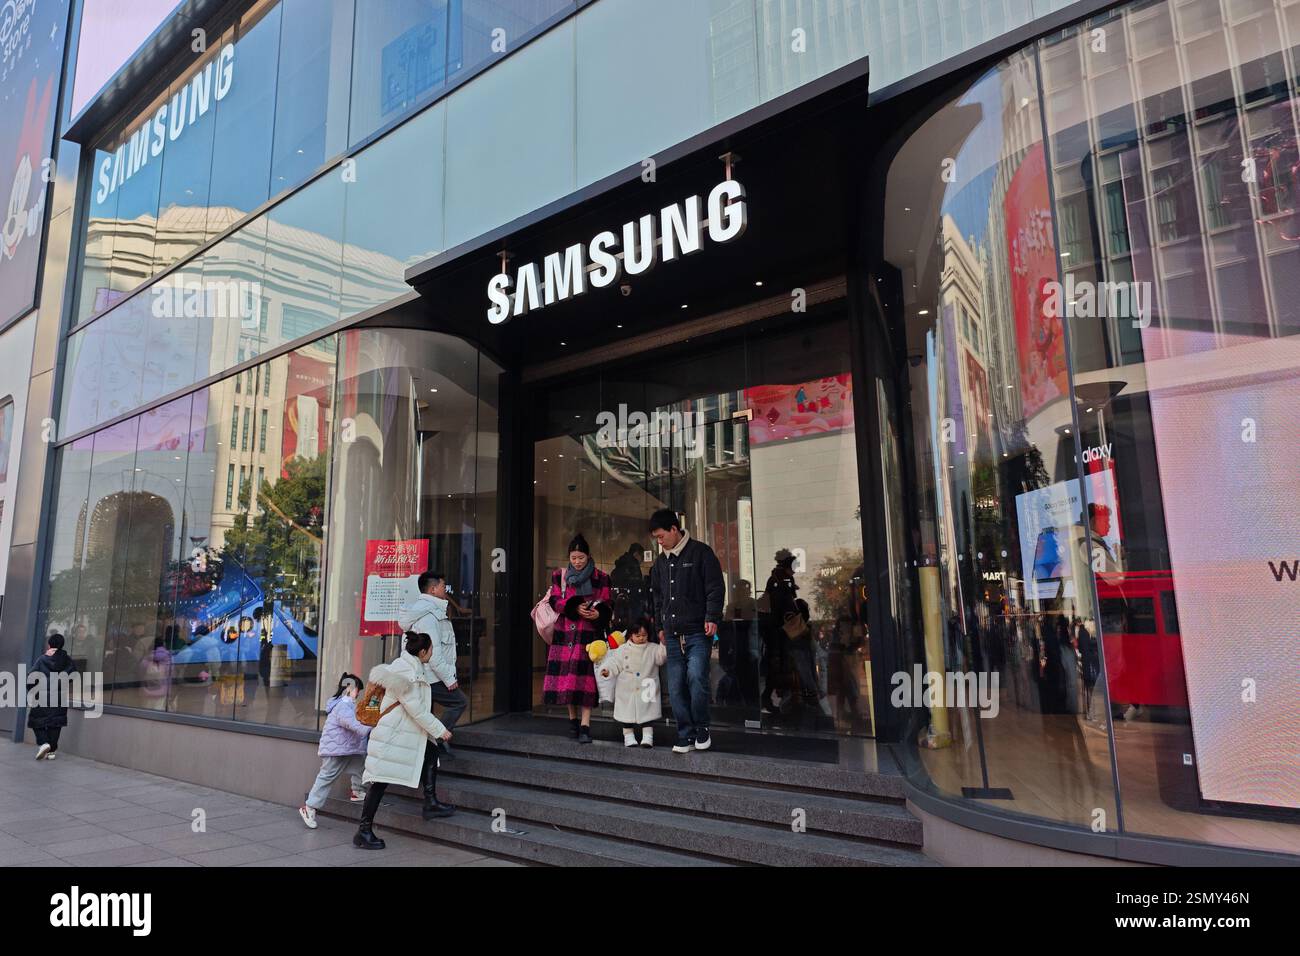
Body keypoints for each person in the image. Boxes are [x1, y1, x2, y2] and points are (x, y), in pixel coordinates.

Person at [355, 632, 455, 850]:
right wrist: (440, 730)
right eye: (430, 650)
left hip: (402, 732)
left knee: (431, 752)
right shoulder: (406, 672)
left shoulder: (411, 667)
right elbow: (416, 709)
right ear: (422, 652)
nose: (431, 653)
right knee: (379, 782)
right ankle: (363, 831)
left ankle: (431, 801)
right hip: (392, 736)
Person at [648, 509, 723, 753]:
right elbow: (657, 597)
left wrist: (712, 616)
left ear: (674, 528)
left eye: (661, 536)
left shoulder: (701, 552)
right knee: (676, 685)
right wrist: (659, 626)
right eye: (656, 538)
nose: (659, 541)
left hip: (697, 631)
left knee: (696, 678)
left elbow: (714, 587)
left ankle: (702, 727)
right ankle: (685, 734)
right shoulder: (660, 563)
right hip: (671, 634)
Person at [542, 534, 611, 744]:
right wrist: (573, 606)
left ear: (588, 556)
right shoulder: (559, 576)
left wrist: (599, 613)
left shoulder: (601, 577)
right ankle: (572, 720)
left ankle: (585, 726)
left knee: (586, 681)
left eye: (581, 557)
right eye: (573, 557)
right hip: (565, 633)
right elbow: (554, 600)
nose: (577, 561)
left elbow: (608, 602)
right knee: (567, 680)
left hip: (588, 634)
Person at [398, 571, 467, 758]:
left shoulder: (429, 610)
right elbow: (433, 653)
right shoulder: (429, 615)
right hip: (430, 676)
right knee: (459, 702)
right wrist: (449, 678)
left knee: (425, 712)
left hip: (427, 675)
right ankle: (438, 740)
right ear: (433, 589)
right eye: (443, 586)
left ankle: (429, 749)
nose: (446, 589)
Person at [299, 673, 371, 829]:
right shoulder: (342, 705)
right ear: (349, 688)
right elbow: (354, 724)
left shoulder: (348, 704)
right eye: (357, 689)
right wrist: (372, 726)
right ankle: (309, 807)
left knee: (361, 765)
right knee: (327, 777)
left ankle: (357, 791)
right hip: (336, 750)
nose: (358, 693)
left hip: (347, 749)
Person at [599, 619, 667, 747]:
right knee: (626, 714)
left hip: (646, 686)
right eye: (638, 635)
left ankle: (648, 737)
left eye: (644, 635)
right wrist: (607, 670)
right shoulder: (623, 649)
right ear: (630, 635)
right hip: (627, 687)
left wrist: (663, 644)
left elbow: (661, 657)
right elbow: (615, 662)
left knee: (648, 713)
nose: (641, 638)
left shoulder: (652, 648)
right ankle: (628, 736)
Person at [28, 633, 77, 760]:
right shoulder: (67, 660)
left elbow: (31, 678)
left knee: (36, 721)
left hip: (42, 696)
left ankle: (44, 743)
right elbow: (73, 674)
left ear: (49, 644)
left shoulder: (42, 659)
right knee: (55, 723)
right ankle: (51, 751)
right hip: (59, 697)